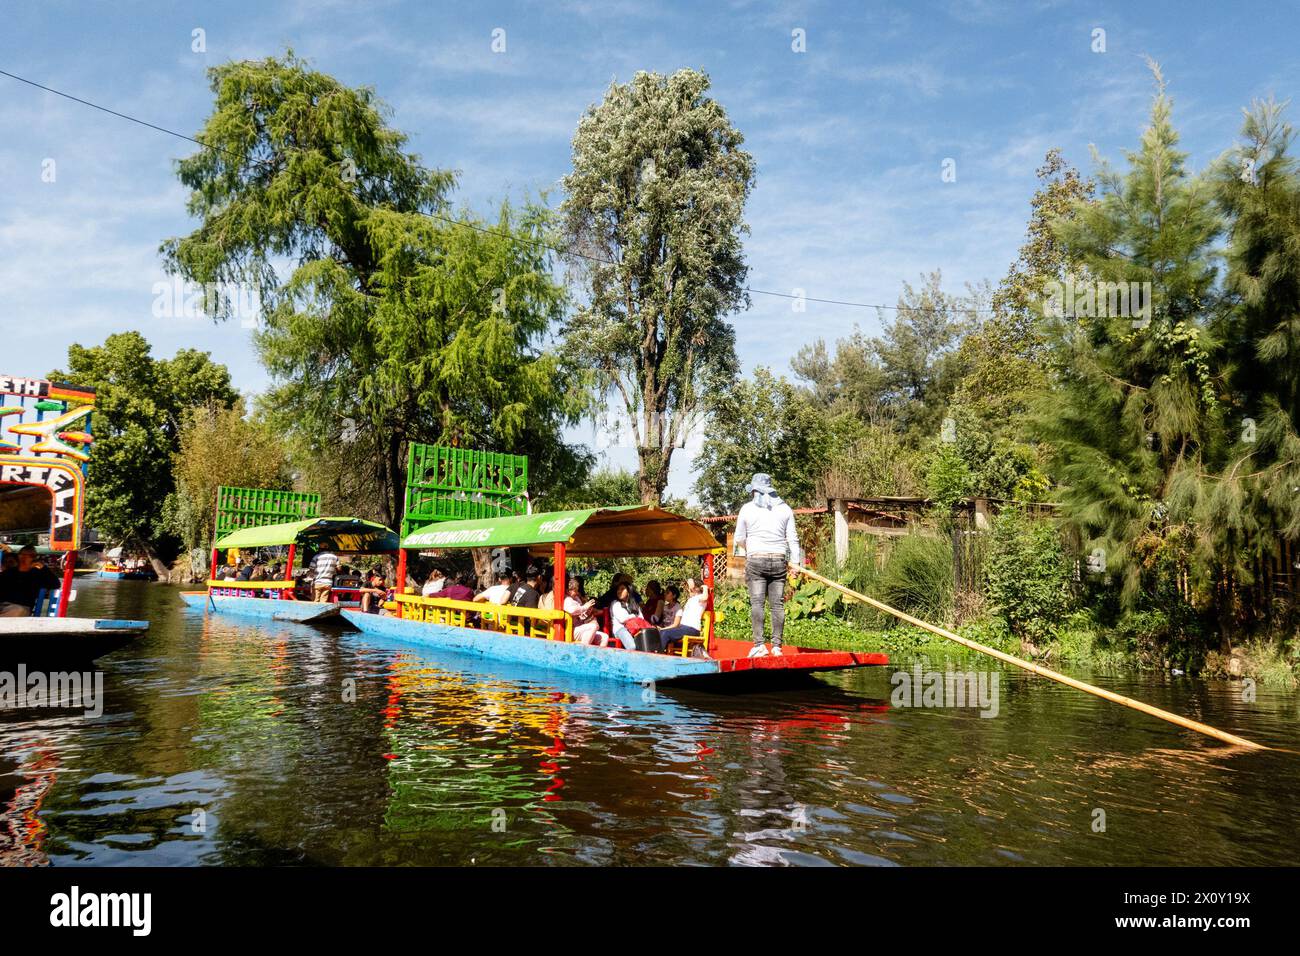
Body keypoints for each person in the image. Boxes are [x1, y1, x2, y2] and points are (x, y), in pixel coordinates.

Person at [734, 472, 802, 658]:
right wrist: (795, 563)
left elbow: (739, 538)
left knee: (757, 602)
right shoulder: (785, 509)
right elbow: (793, 540)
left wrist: (750, 549)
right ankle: (777, 647)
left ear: (754, 490)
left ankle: (759, 645)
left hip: (756, 559)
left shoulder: (747, 509)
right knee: (777, 605)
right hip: (779, 560)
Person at [0, 545, 62, 617]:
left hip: (21, 607)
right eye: (22, 554)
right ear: (18, 556)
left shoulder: (37, 575)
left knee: (18, 610)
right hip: (2, 605)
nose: (24, 557)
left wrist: (43, 568)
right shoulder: (9, 573)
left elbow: (56, 584)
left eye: (29, 555)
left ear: (34, 558)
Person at [657, 579, 710, 656]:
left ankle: (658, 655)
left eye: (691, 588)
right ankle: (660, 653)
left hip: (692, 628)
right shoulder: (692, 599)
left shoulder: (700, 597)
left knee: (665, 633)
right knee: (661, 632)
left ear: (697, 588)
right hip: (683, 627)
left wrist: (705, 587)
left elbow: (705, 597)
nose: (689, 590)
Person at [563, 577, 599, 644]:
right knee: (593, 627)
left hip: (580, 627)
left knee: (604, 637)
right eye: (575, 591)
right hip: (571, 630)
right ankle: (582, 651)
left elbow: (581, 614)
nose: (577, 593)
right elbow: (572, 610)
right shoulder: (567, 599)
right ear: (568, 591)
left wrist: (588, 611)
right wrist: (585, 607)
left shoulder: (576, 598)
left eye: (577, 590)